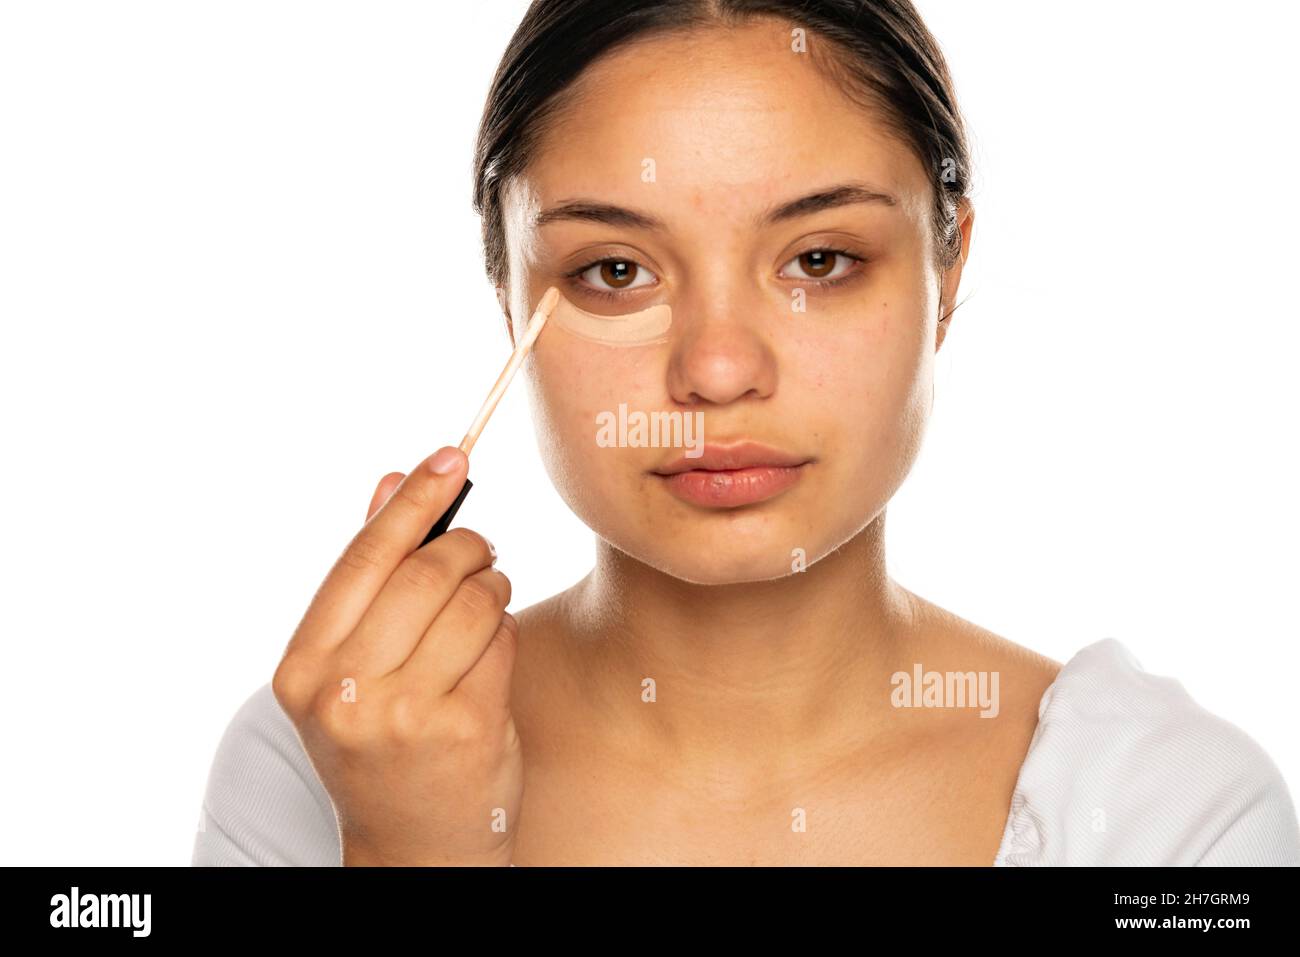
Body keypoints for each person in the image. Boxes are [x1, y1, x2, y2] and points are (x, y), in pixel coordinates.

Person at [192, 0, 1300, 866]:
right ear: (506, 289)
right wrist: (408, 856)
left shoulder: (1170, 813)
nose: (718, 369)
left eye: (819, 260)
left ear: (946, 269)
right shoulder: (327, 762)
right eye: (614, 271)